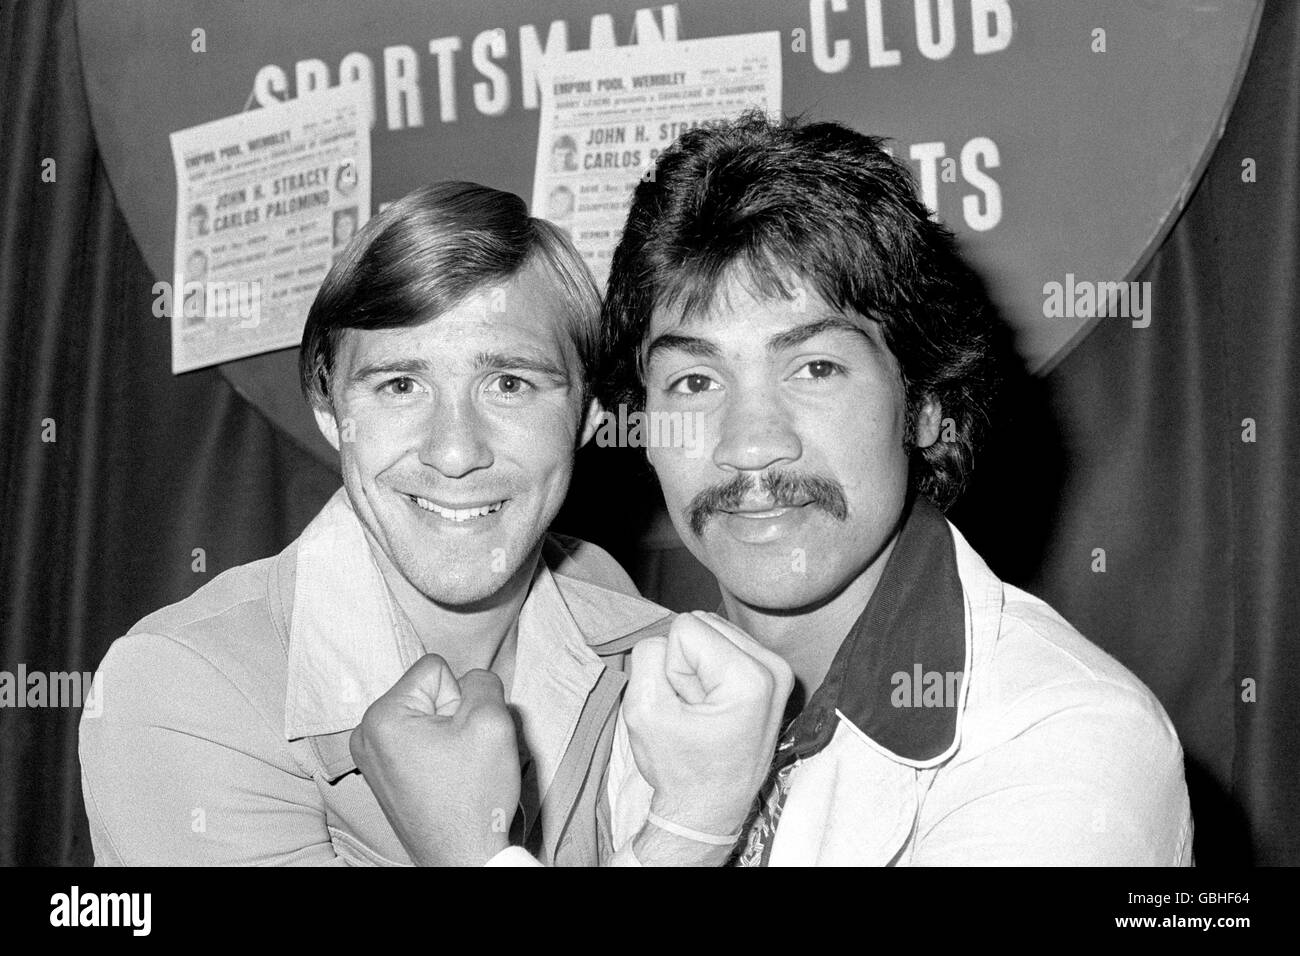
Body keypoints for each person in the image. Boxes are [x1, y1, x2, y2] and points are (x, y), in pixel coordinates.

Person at [79, 181, 789, 866]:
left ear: (589, 414)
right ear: (329, 410)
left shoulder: (613, 607)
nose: (455, 451)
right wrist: (688, 831)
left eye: (509, 383)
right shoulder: (178, 690)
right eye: (399, 384)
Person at [596, 112, 1194, 865]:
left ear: (924, 406)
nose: (749, 443)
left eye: (815, 368)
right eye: (694, 380)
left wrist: (685, 831)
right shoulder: (631, 707)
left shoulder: (1066, 736)